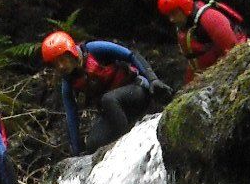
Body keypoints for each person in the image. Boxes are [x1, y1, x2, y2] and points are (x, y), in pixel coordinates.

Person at [39, 30, 168, 157]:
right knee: (92, 143)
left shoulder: (94, 50)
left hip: (135, 92)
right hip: (115, 111)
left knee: (108, 99)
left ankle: (128, 144)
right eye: (56, 64)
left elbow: (131, 55)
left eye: (62, 59)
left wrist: (153, 79)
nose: (61, 66)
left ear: (71, 52)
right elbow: (71, 115)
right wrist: (76, 149)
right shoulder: (68, 82)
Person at [156, 0, 247, 83]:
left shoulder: (210, 18)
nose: (171, 19)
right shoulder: (185, 25)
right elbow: (194, 59)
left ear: (184, 6)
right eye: (168, 15)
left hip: (228, 68)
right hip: (205, 72)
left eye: (174, 13)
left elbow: (234, 52)